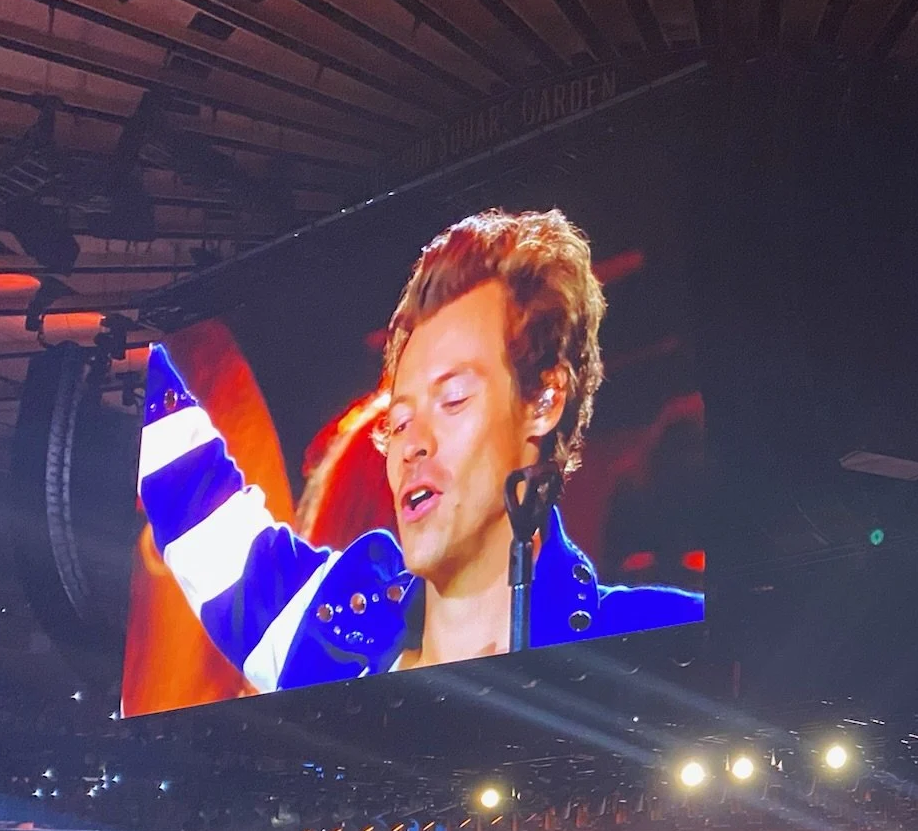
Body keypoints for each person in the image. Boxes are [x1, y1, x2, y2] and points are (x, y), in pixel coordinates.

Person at [136, 209, 702, 692]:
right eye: (399, 420)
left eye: (453, 399)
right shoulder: (315, 634)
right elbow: (184, 484)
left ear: (544, 400)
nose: (412, 444)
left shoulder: (657, 635)